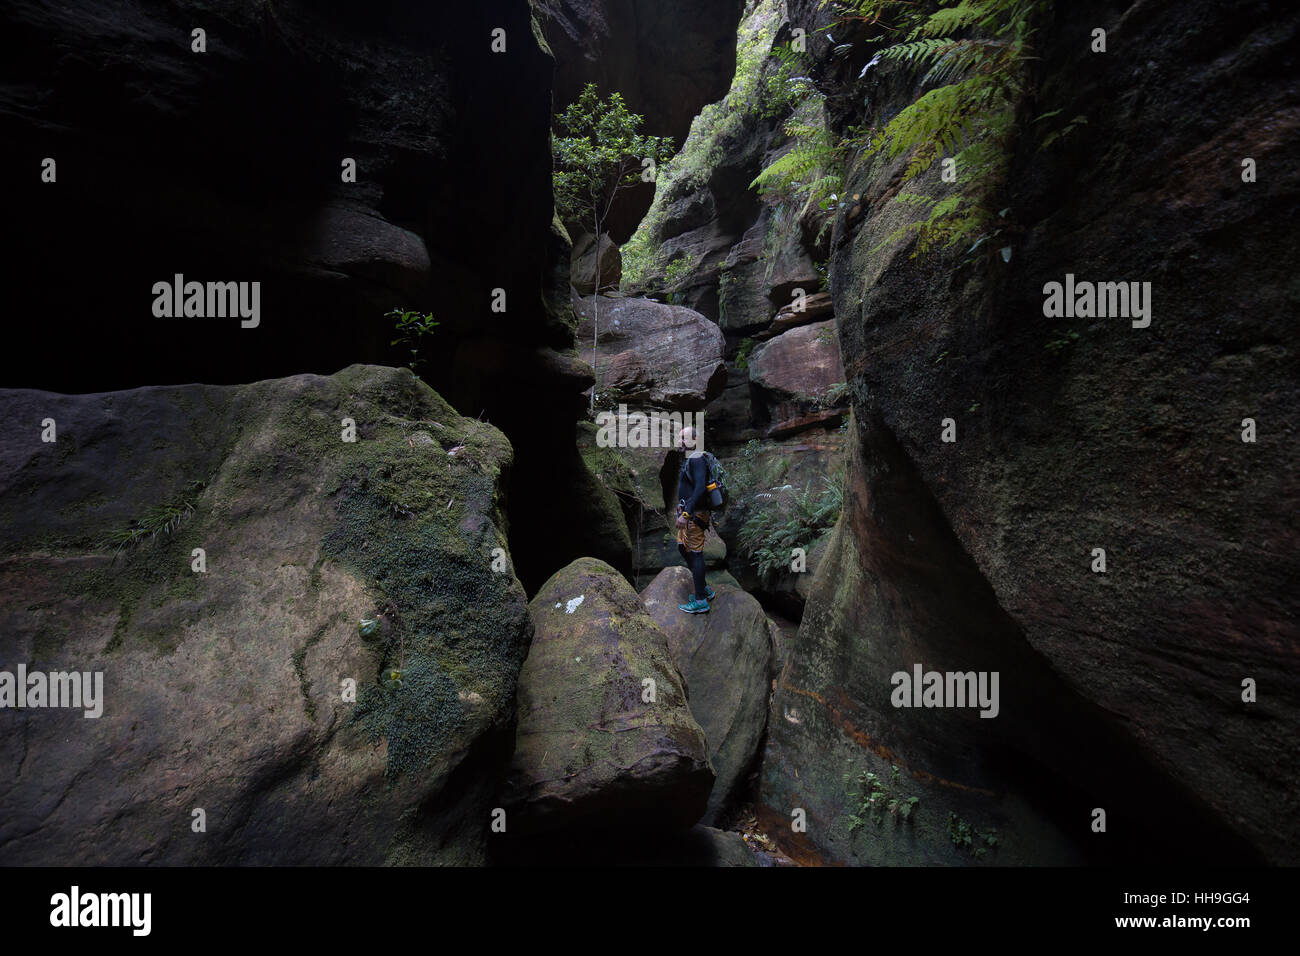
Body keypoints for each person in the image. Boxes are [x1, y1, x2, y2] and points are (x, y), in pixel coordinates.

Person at [674, 426, 716, 614]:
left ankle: (701, 600)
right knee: (683, 547)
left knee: (696, 554)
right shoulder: (691, 459)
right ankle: (703, 588)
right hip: (690, 511)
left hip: (694, 515)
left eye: (684, 438)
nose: (680, 441)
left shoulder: (697, 458)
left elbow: (700, 489)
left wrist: (686, 513)